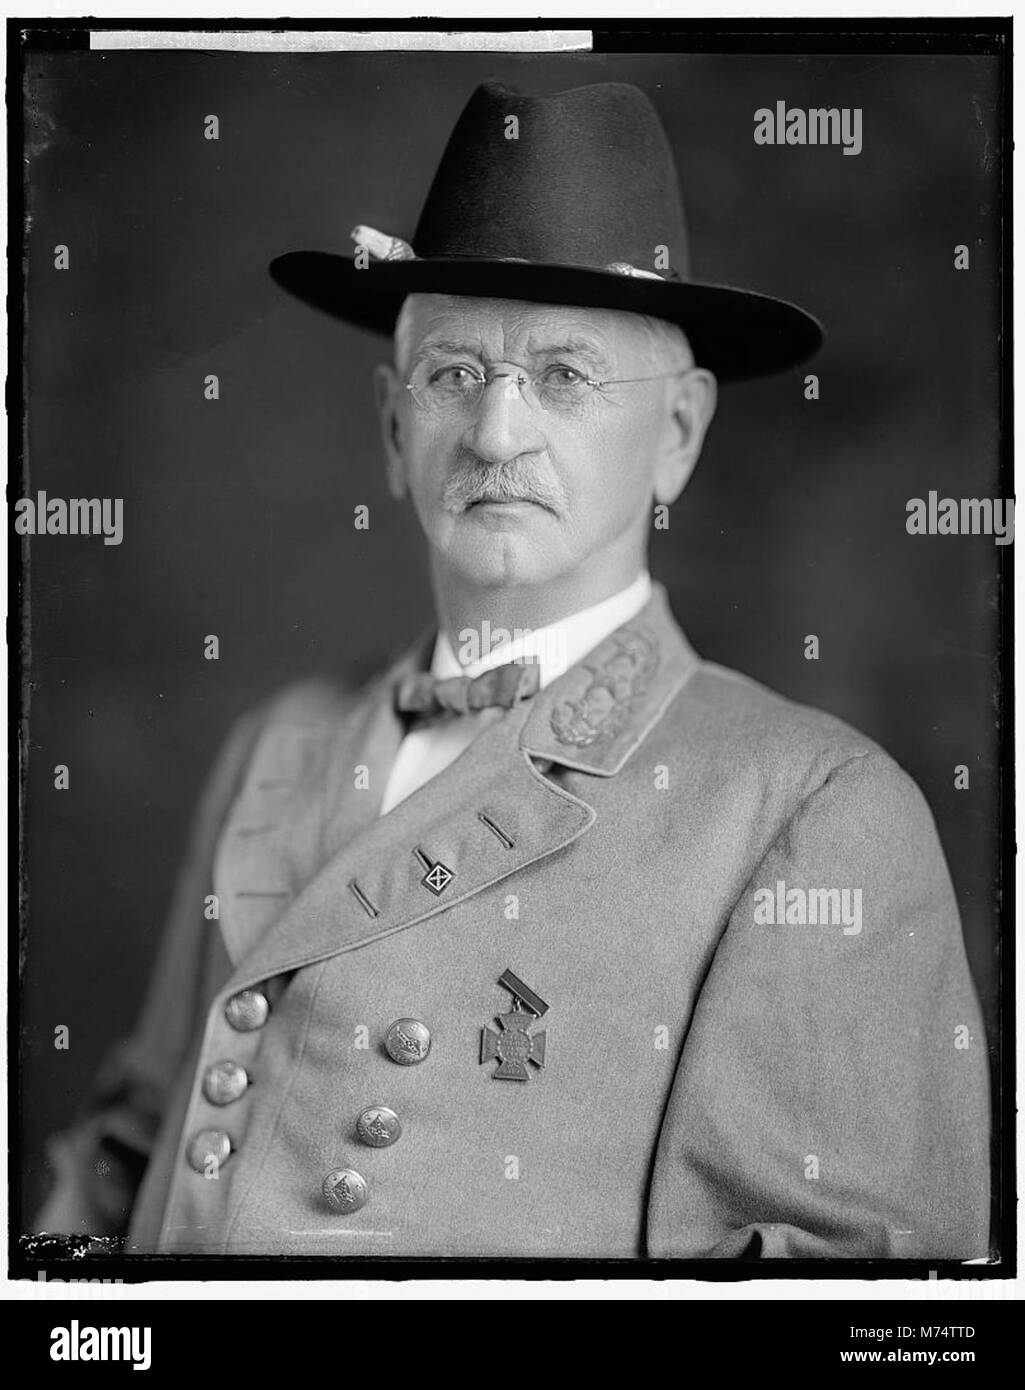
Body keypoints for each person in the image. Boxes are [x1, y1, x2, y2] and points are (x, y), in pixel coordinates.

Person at [34, 79, 990, 1259]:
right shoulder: (278, 739)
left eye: (564, 375)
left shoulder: (809, 810)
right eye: (451, 375)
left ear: (677, 435)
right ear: (393, 431)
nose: (494, 434)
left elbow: (841, 1296)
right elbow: (134, 1145)